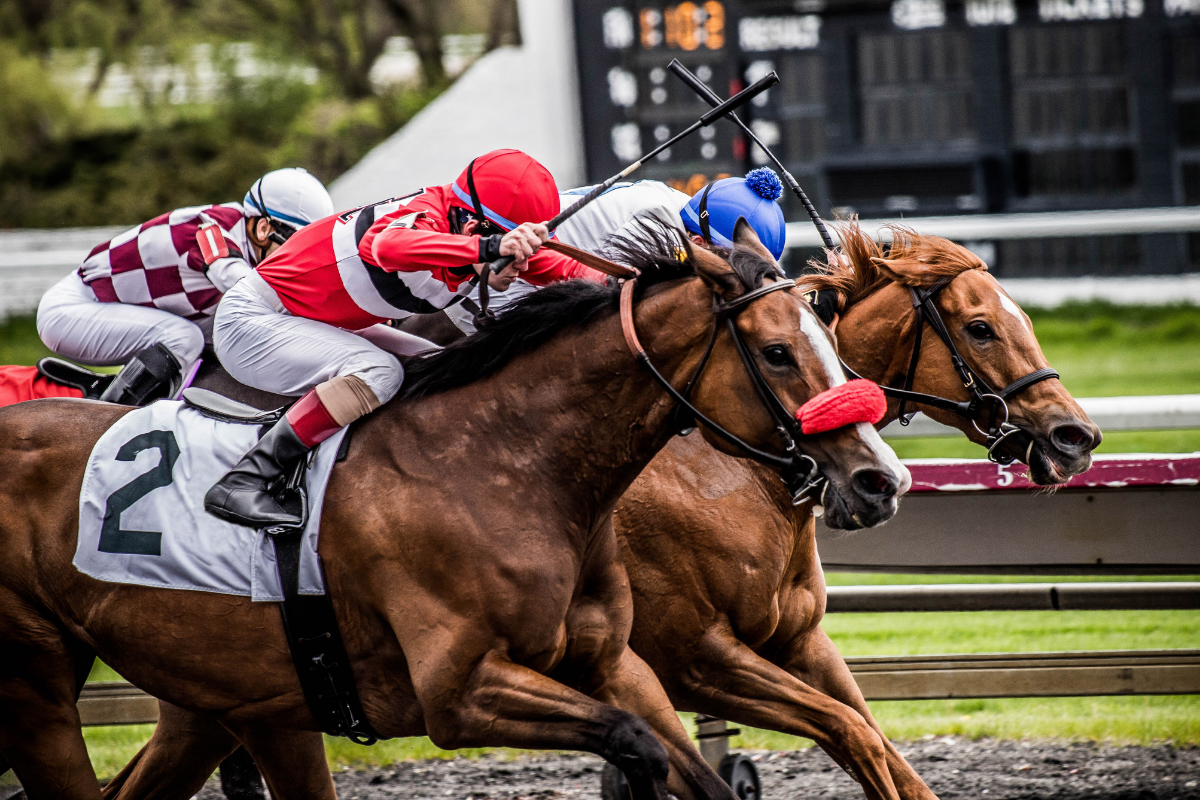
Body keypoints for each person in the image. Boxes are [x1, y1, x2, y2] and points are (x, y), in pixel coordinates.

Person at [204, 148, 605, 529]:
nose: (521, 266)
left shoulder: (475, 230)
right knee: (380, 372)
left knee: (440, 368)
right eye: (511, 254)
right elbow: (384, 246)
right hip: (253, 320)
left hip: (312, 320)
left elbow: (567, 269)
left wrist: (633, 283)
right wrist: (487, 248)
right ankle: (246, 480)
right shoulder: (425, 216)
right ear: (474, 226)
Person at [36, 168, 335, 406]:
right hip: (73, 311)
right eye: (296, 247)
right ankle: (106, 417)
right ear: (262, 229)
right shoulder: (210, 229)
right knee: (186, 338)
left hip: (108, 309)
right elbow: (240, 283)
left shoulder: (248, 239)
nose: (300, 261)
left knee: (224, 333)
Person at [443, 168, 788, 334]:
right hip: (492, 283)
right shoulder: (657, 223)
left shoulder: (694, 216)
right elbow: (611, 312)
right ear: (699, 244)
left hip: (541, 277)